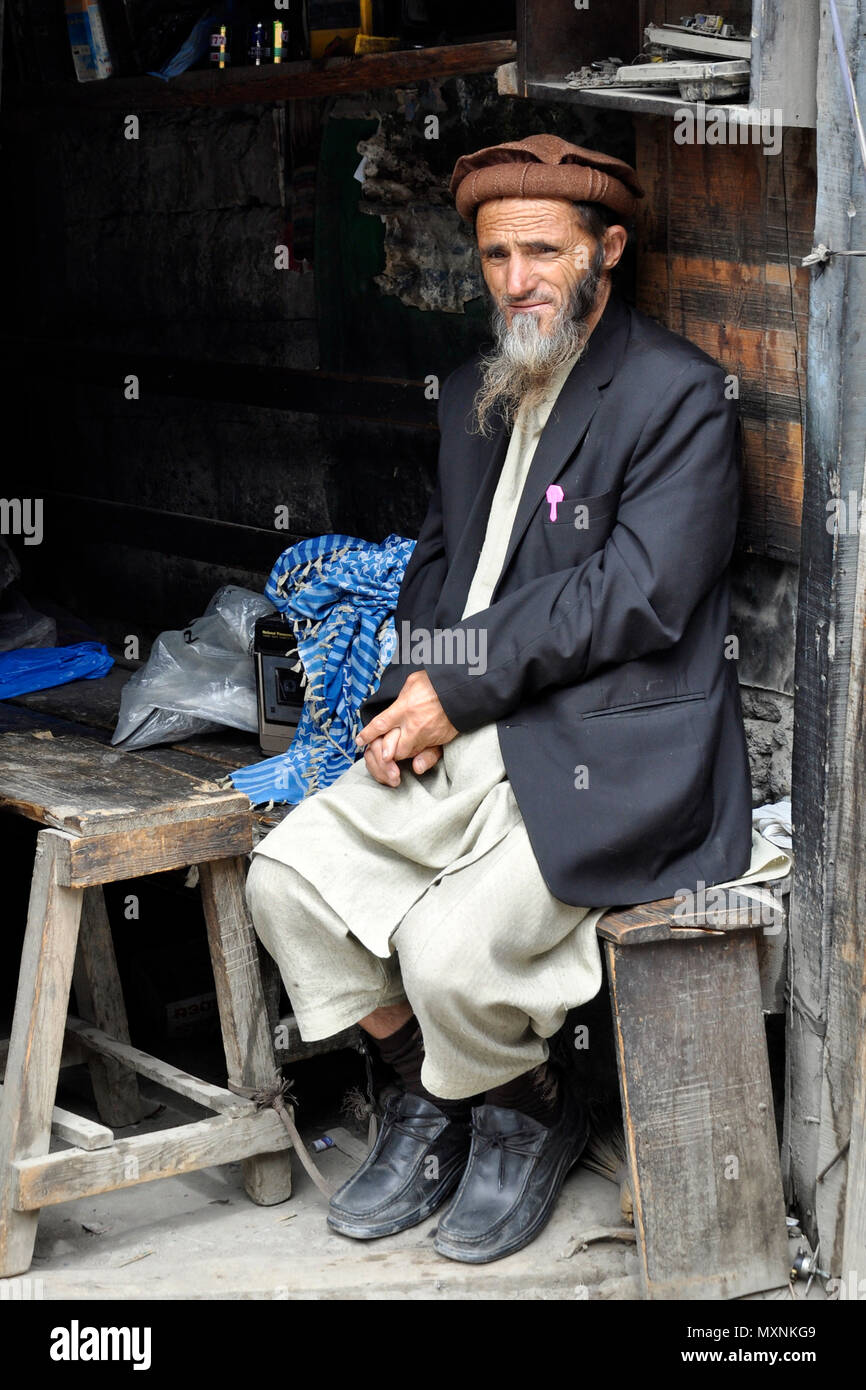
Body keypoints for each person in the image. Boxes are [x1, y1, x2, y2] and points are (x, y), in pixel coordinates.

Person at [245, 134, 753, 1264]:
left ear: (604, 251)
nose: (516, 279)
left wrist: (451, 689)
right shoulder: (478, 388)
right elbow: (435, 570)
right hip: (469, 720)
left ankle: (527, 1104)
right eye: (493, 256)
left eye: (542, 251)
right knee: (285, 881)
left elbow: (633, 596)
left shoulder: (676, 398)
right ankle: (431, 1094)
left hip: (612, 747)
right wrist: (397, 698)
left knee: (442, 949)